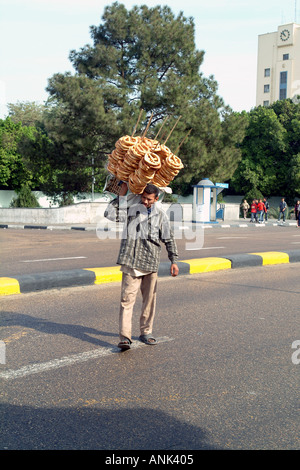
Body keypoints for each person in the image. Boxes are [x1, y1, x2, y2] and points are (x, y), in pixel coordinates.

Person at [104, 182, 179, 350]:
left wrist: (174, 260)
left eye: (149, 199)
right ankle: (125, 337)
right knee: (126, 300)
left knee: (149, 301)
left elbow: (168, 238)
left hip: (151, 262)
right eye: (144, 198)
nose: (146, 202)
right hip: (131, 261)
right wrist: (121, 196)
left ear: (156, 198)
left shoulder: (160, 216)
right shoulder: (131, 209)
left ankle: (146, 332)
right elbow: (110, 214)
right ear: (140, 195)